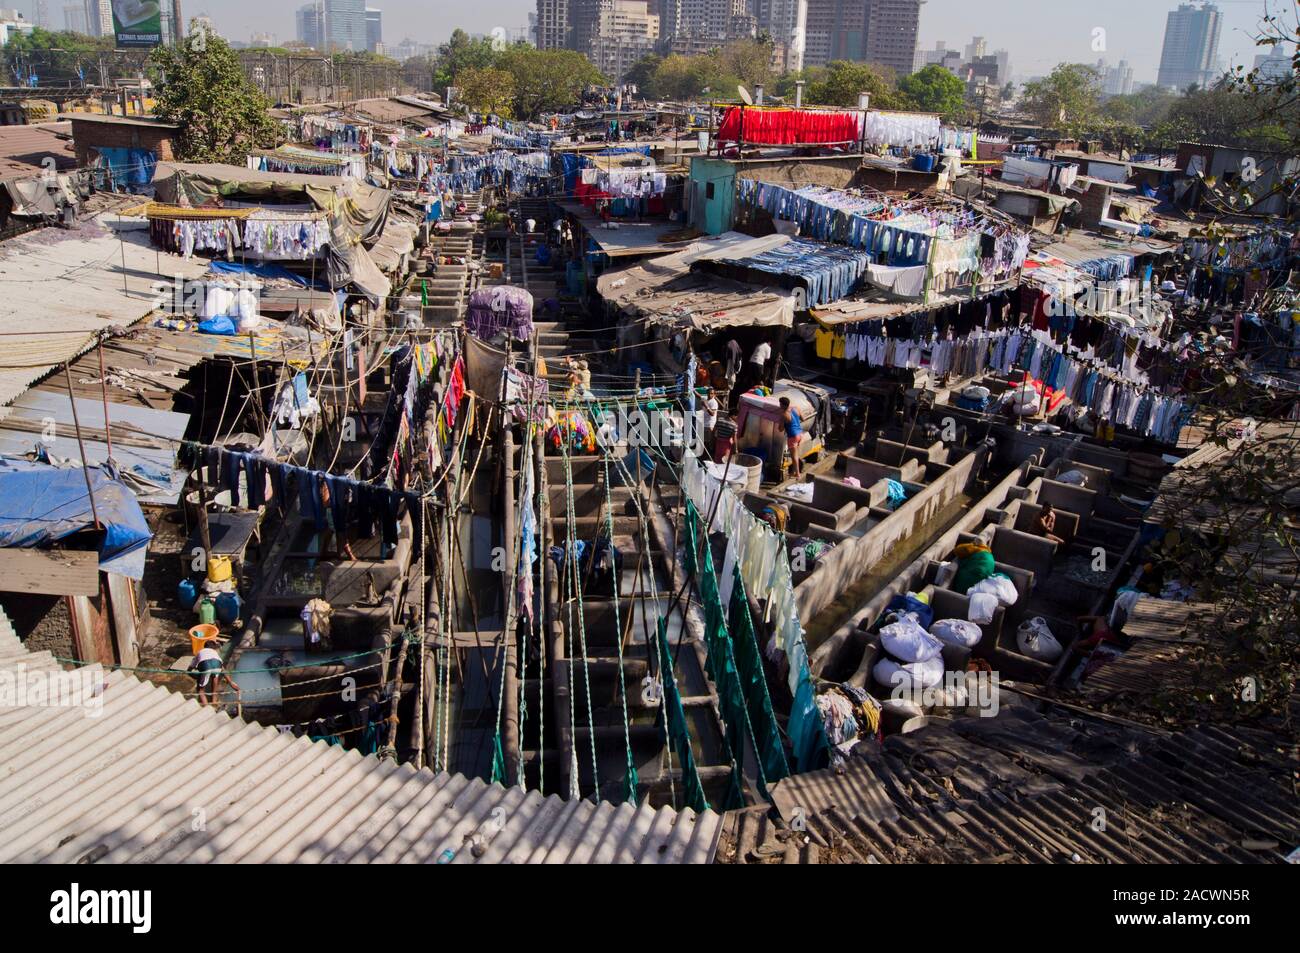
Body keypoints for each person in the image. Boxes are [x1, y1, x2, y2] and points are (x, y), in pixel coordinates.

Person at [189, 642, 239, 708]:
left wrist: (195, 676)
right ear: (213, 648)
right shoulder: (215, 653)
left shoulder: (200, 651)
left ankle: (207, 708)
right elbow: (222, 669)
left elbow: (190, 668)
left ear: (204, 647)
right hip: (217, 664)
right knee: (215, 680)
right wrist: (230, 682)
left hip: (206, 665)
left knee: (201, 690)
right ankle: (214, 702)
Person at [780, 396, 803, 478]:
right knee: (796, 454)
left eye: (780, 404)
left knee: (794, 457)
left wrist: (781, 421)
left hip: (792, 436)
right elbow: (802, 418)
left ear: (782, 405)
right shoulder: (796, 408)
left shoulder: (784, 415)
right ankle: (793, 472)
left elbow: (780, 429)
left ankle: (797, 474)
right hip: (800, 434)